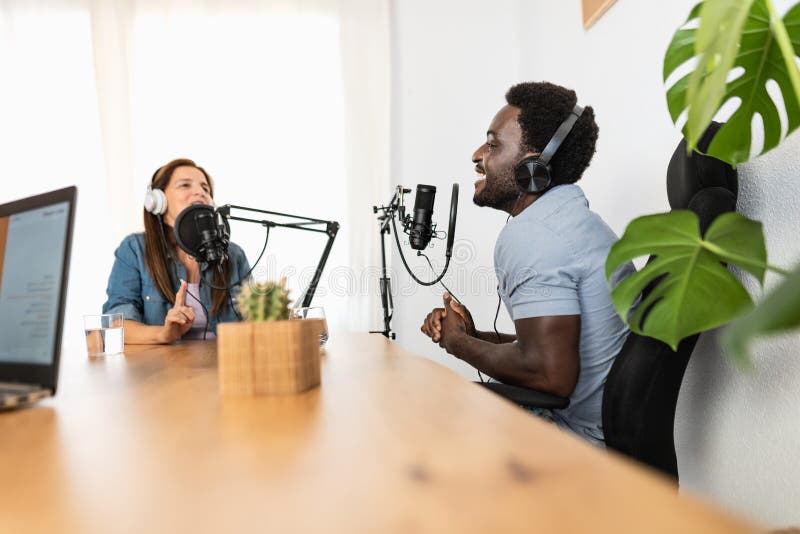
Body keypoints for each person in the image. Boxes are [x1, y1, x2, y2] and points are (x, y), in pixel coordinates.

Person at [420, 82, 634, 445]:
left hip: (580, 445)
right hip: (610, 433)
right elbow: (555, 349)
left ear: (533, 165)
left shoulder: (533, 235)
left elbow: (549, 375)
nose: (476, 155)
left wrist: (457, 343)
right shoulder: (573, 222)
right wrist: (475, 337)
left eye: (492, 144)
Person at [103, 158, 250, 344]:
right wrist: (164, 333)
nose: (199, 192)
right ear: (157, 202)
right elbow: (116, 323)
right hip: (163, 369)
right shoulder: (134, 249)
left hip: (227, 363)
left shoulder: (234, 254)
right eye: (185, 185)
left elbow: (254, 319)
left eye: (205, 188)